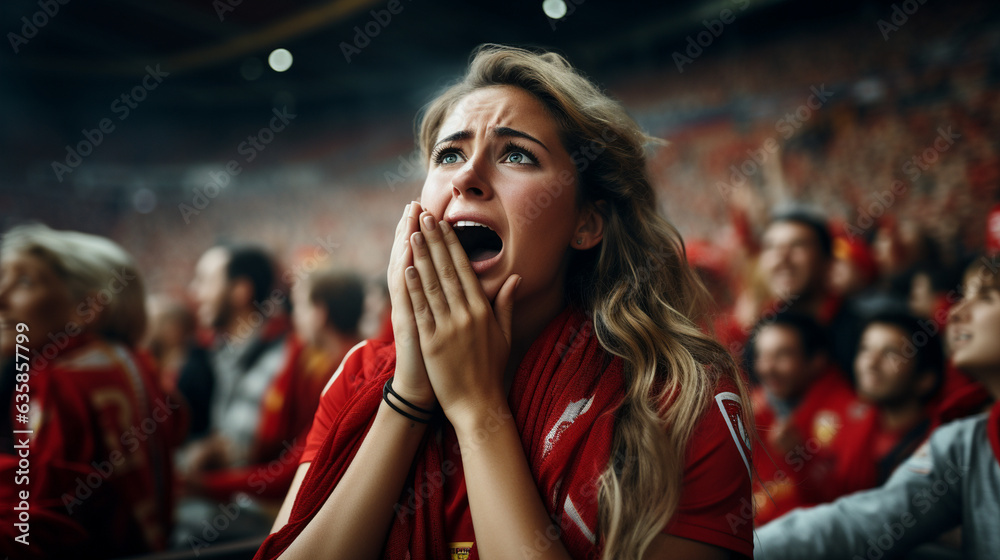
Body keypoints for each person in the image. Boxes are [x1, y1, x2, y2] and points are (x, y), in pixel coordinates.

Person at [259, 45, 754, 560]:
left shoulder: (678, 399)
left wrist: (477, 411)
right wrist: (409, 397)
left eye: (517, 154)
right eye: (448, 154)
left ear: (587, 222)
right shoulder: (359, 376)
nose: (466, 177)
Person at [754, 258, 1000, 559]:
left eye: (985, 298)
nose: (957, 312)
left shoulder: (951, 437)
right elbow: (859, 522)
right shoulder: (964, 444)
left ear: (926, 379)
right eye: (865, 349)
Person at [0, 224, 178, 559]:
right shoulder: (131, 360)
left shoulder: (57, 379)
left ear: (86, 310)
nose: (0, 298)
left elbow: (42, 526)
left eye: (24, 282)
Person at [174, 243, 291, 543]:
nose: (195, 292)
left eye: (205, 281)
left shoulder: (280, 358)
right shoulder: (224, 353)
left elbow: (239, 452)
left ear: (240, 290)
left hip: (261, 516)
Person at [749, 312, 865, 525]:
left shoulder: (852, 415)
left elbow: (855, 507)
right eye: (762, 356)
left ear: (816, 361)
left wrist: (802, 459)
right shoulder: (753, 408)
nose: (768, 368)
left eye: (782, 356)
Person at [834, 312, 944, 488]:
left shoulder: (939, 446)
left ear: (925, 379)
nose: (870, 364)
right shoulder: (851, 427)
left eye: (890, 353)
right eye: (864, 349)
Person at [756, 209, 863, 376]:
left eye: (798, 245)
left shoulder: (862, 334)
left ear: (828, 260)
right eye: (771, 247)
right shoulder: (758, 335)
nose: (782, 259)